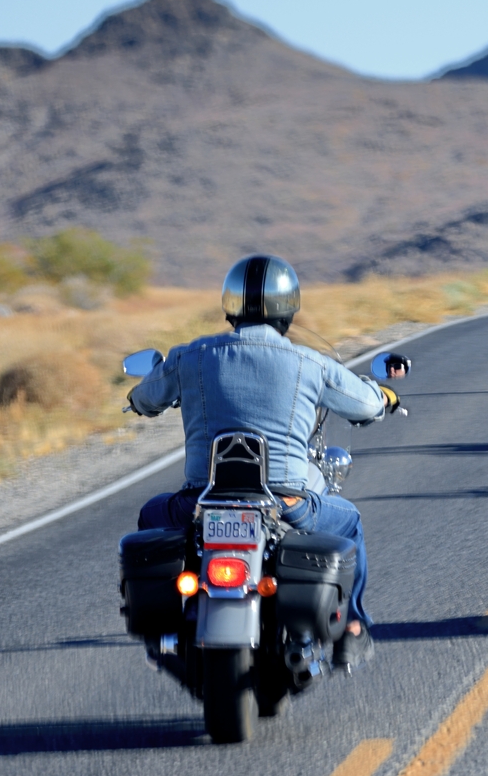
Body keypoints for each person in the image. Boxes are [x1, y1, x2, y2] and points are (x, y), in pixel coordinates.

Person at [127, 254, 398, 668]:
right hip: (287, 503)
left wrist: (136, 401)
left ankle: (164, 627)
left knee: (150, 515)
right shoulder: (311, 364)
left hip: (199, 504)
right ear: (289, 309)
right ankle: (354, 629)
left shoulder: (191, 357)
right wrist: (385, 397)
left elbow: (146, 397)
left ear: (230, 305)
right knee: (350, 522)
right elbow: (364, 405)